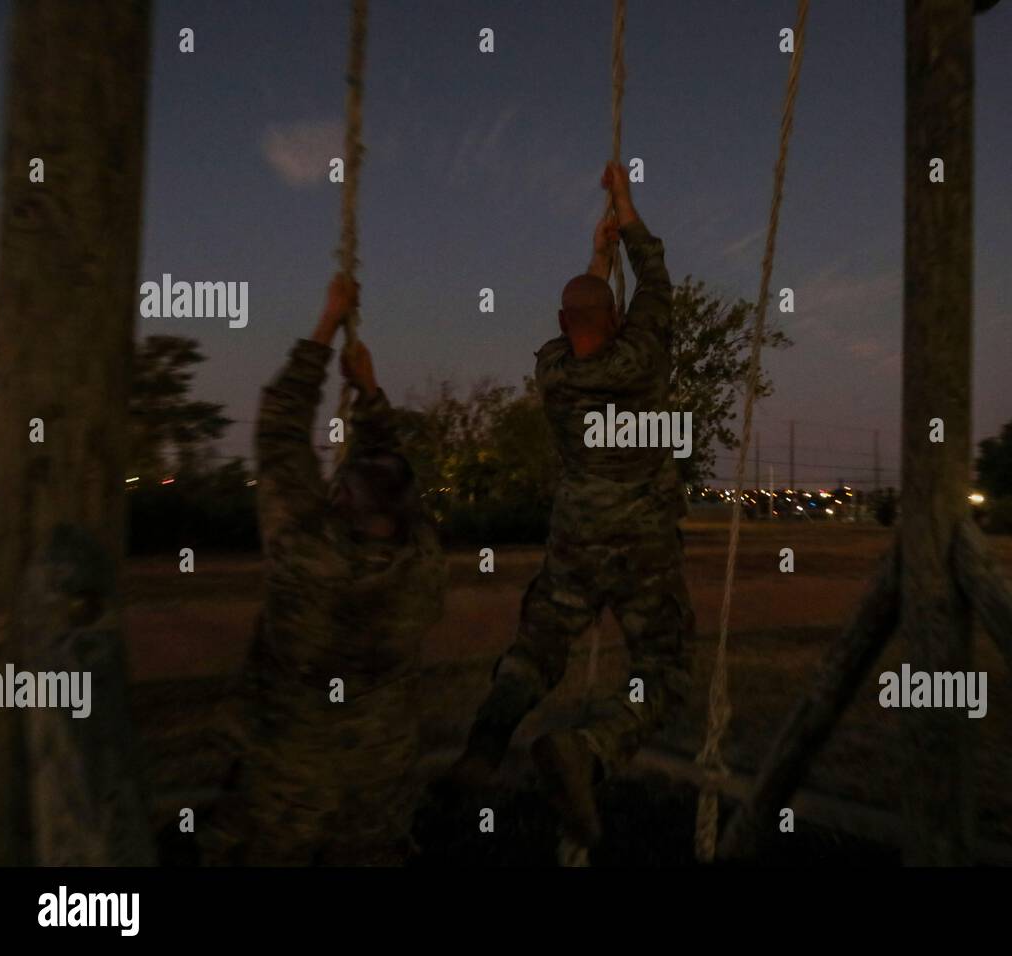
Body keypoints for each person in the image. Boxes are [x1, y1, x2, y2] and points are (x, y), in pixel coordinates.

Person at [440, 163, 694, 849]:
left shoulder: (552, 369)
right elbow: (659, 280)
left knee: (536, 648)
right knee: (661, 670)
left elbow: (587, 312)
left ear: (563, 321)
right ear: (615, 315)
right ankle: (589, 750)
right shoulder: (642, 356)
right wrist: (627, 210)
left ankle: (485, 746)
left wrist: (596, 255)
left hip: (575, 538)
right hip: (641, 542)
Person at [203, 275, 444, 865]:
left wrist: (327, 323)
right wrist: (370, 394)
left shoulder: (302, 554)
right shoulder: (424, 568)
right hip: (376, 794)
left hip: (283, 791)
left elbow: (281, 430)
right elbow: (391, 486)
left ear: (338, 502)